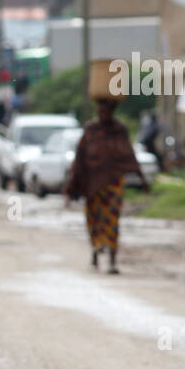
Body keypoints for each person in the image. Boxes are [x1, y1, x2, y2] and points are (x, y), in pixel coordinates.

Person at [65, 96, 147, 275]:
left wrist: (142, 179)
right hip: (92, 183)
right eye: (100, 111)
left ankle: (111, 260)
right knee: (94, 219)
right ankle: (95, 254)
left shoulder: (119, 130)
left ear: (112, 112)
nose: (103, 115)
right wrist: (71, 186)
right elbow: (79, 158)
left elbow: (129, 154)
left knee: (112, 220)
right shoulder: (90, 130)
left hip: (114, 182)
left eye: (106, 111)